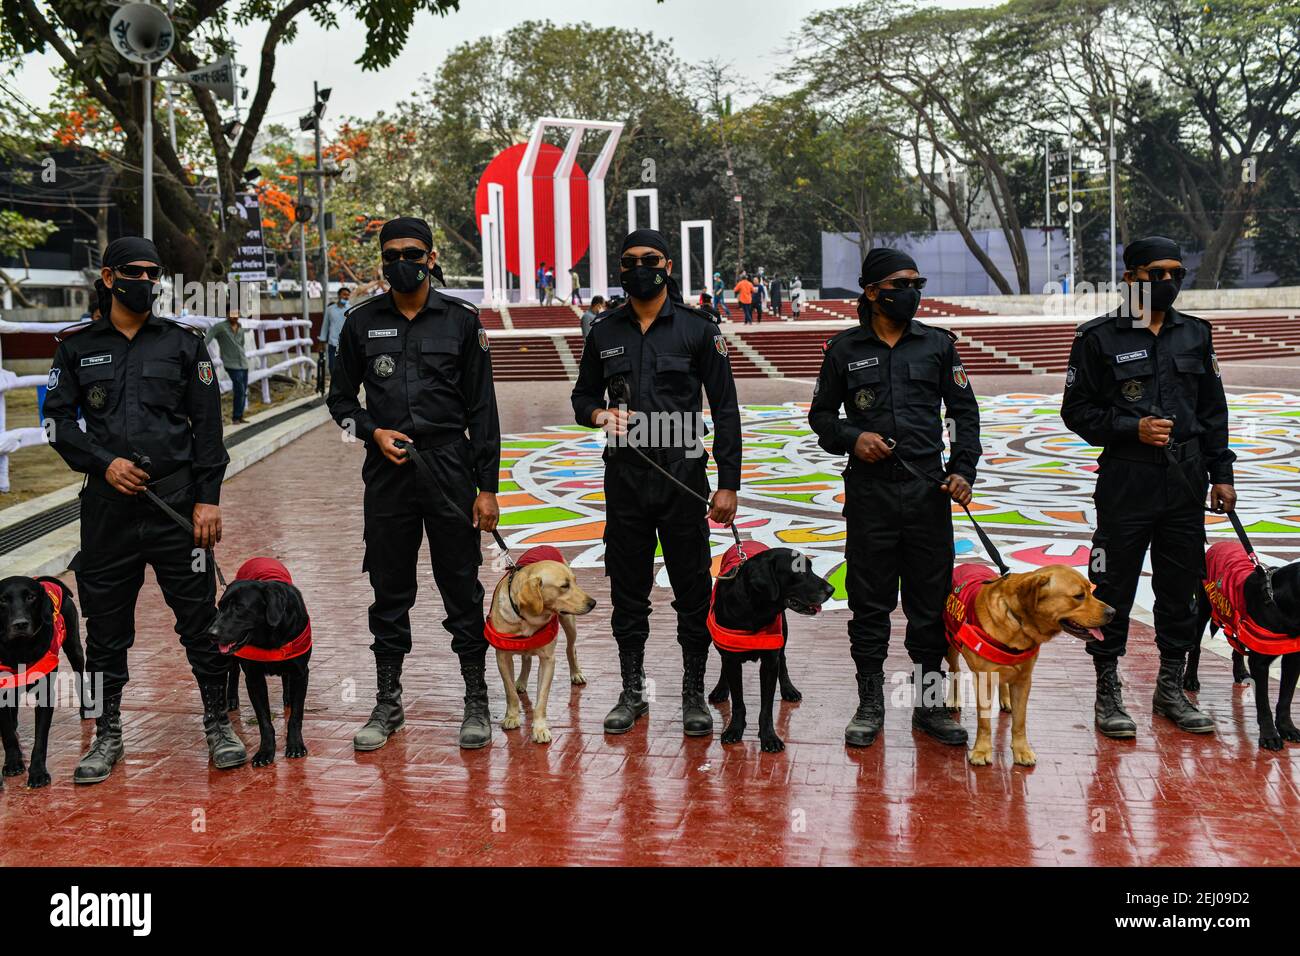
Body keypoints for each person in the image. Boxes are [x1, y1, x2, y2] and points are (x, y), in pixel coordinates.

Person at [44, 236, 238, 782]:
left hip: (177, 507)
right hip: (107, 510)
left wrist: (208, 499)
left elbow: (209, 427)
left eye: (155, 274)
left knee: (201, 621)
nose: (147, 282)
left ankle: (217, 724)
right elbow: (57, 422)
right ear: (108, 278)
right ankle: (108, 734)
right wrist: (103, 463)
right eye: (135, 272)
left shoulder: (184, 343)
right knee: (106, 628)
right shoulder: (75, 346)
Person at [327, 216, 502, 751]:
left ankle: (476, 700)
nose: (400, 262)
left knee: (461, 585)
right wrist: (370, 431)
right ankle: (387, 702)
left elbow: (483, 411)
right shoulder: (359, 323)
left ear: (430, 257)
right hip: (388, 473)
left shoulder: (462, 322)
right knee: (389, 588)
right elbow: (339, 402)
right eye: (390, 254)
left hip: (451, 467)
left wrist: (488, 488)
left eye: (411, 252)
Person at [571, 228, 741, 737]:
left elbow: (726, 410)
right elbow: (581, 398)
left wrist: (727, 484)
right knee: (629, 589)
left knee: (691, 588)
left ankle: (693, 693)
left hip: (684, 475)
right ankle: (633, 691)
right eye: (628, 261)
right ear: (619, 269)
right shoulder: (603, 331)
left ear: (667, 265)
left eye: (650, 259)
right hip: (624, 478)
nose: (638, 268)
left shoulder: (697, 328)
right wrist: (598, 412)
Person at [809, 247, 981, 749]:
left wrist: (963, 469)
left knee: (929, 605)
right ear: (872, 291)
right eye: (900, 284)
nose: (911, 293)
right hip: (870, 497)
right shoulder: (842, 349)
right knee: (869, 604)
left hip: (929, 493)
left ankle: (930, 707)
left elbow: (964, 413)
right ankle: (870, 703)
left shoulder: (938, 346)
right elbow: (822, 418)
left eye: (916, 284)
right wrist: (851, 438)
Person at [1062, 235, 1233, 739]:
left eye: (1176, 274)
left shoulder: (1196, 335)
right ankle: (1108, 691)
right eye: (1156, 273)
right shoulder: (1097, 338)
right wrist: (1128, 427)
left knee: (1179, 590)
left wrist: (1221, 473)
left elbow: (1212, 411)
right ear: (1131, 277)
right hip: (1126, 481)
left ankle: (1170, 688)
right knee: (1111, 586)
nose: (1168, 282)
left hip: (1185, 481)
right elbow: (1076, 411)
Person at [204, 306, 250, 424]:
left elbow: (242, 344)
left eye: (237, 313)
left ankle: (239, 416)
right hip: (231, 363)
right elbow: (207, 339)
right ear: (227, 314)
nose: (235, 315)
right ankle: (235, 417)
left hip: (243, 363)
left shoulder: (240, 328)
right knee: (239, 388)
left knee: (243, 390)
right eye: (232, 313)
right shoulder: (220, 327)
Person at [320, 285, 351, 375]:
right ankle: (334, 387)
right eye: (344, 294)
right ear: (339, 295)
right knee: (332, 367)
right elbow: (325, 326)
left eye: (348, 295)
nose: (346, 297)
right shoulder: (330, 309)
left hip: (346, 343)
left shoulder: (351, 309)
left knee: (346, 368)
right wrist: (322, 341)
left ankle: (344, 387)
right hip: (333, 343)